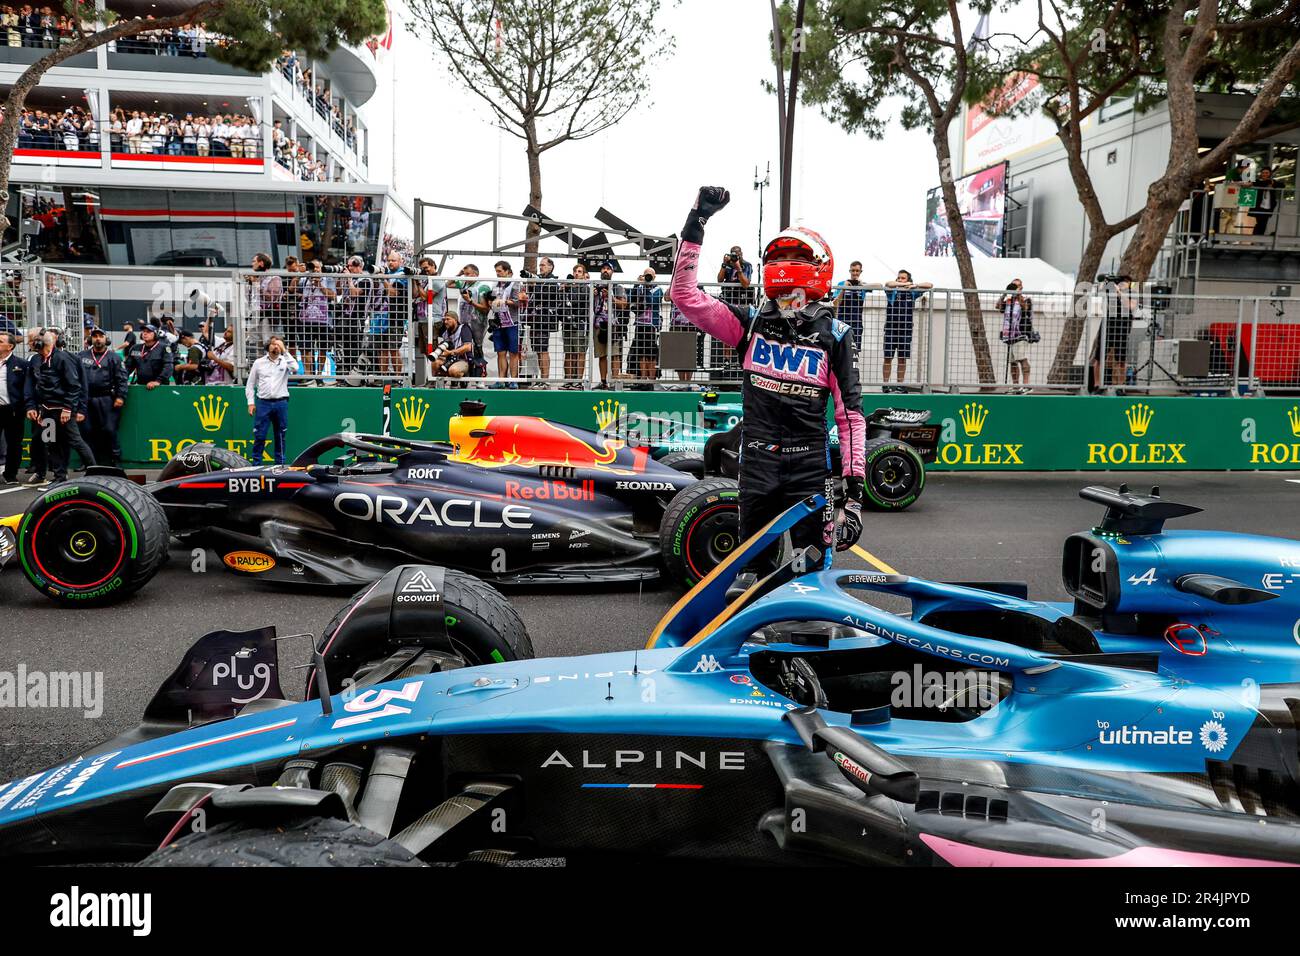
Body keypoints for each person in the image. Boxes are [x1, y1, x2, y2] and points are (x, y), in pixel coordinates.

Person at [671, 186, 866, 580]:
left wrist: (855, 494)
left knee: (812, 572)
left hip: (811, 467)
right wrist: (698, 222)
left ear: (820, 265)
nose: (786, 264)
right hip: (757, 462)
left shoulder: (837, 335)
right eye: (778, 256)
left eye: (796, 256)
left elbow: (850, 418)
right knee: (750, 572)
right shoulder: (750, 323)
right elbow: (684, 295)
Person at [24, 327, 91, 482]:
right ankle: (59, 477)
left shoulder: (62, 358)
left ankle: (96, 473)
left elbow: (74, 386)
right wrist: (41, 409)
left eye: (31, 340)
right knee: (52, 442)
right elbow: (42, 388)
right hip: (48, 410)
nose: (29, 343)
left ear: (39, 343)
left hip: (63, 410)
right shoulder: (41, 359)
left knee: (75, 441)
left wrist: (68, 409)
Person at [77, 326, 126, 467]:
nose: (97, 338)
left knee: (109, 429)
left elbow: (121, 379)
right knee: (86, 430)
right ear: (90, 339)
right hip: (86, 398)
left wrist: (120, 396)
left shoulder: (114, 357)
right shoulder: (82, 355)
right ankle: (87, 461)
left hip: (106, 399)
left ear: (106, 339)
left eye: (100, 336)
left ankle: (115, 459)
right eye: (95, 336)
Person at [245, 335, 298, 464]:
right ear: (268, 347)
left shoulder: (285, 361)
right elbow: (250, 384)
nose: (276, 346)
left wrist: (285, 351)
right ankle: (256, 465)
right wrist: (251, 403)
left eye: (279, 344)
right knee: (260, 436)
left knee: (280, 436)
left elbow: (295, 369)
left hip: (281, 403)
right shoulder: (259, 362)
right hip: (263, 403)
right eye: (274, 344)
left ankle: (280, 465)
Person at [882, 269, 932, 390]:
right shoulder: (892, 291)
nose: (899, 280)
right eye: (898, 278)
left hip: (905, 331)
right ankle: (885, 385)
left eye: (903, 278)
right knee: (888, 358)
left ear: (909, 280)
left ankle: (900, 385)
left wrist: (915, 286)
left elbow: (930, 285)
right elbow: (888, 283)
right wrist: (903, 284)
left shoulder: (913, 292)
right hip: (890, 330)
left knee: (902, 359)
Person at [1093, 278, 1136, 391]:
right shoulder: (1110, 292)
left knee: (1121, 360)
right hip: (1107, 328)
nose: (1124, 285)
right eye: (1122, 283)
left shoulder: (1132, 294)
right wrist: (1106, 284)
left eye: (1127, 284)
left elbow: (1130, 306)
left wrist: (1119, 293)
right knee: (1099, 358)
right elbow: (1098, 291)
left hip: (1122, 330)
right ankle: (1097, 385)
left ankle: (1120, 386)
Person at [526, 256, 563, 385]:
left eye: (543, 265)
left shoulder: (553, 281)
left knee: (543, 349)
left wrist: (537, 283)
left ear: (550, 266)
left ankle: (544, 380)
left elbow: (548, 296)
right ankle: (541, 380)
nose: (540, 267)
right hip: (536, 319)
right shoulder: (539, 280)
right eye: (540, 265)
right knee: (537, 349)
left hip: (545, 319)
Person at [592, 259, 627, 389]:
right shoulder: (595, 286)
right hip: (598, 325)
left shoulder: (617, 287)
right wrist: (592, 294)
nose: (605, 270)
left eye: (608, 269)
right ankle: (603, 382)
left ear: (612, 271)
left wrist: (611, 298)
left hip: (613, 325)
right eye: (603, 268)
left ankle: (614, 382)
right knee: (602, 355)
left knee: (615, 354)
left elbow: (624, 305)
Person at [996, 280, 1036, 393]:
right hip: (1009, 335)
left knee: (1022, 359)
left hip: (1021, 334)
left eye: (1016, 285)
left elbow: (1026, 308)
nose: (1014, 287)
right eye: (1012, 285)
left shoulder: (1026, 299)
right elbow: (998, 307)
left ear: (1021, 287)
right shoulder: (1009, 301)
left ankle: (1027, 385)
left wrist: (1018, 295)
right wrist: (1004, 293)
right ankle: (1016, 385)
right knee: (1012, 362)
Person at [0, 330, 28, 486]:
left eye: (0, 341)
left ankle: (10, 474)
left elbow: (27, 388)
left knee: (14, 443)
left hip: (13, 410)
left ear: (10, 346)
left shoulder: (21, 364)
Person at [627, 268, 663, 383]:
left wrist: (646, 287)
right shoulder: (640, 287)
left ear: (654, 277)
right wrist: (636, 285)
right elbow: (631, 299)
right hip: (640, 324)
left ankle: (651, 379)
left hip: (652, 325)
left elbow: (651, 301)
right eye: (646, 275)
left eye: (650, 276)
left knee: (651, 353)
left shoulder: (658, 289)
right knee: (641, 352)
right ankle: (643, 378)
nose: (647, 278)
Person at [456, 263, 492, 377]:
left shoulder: (482, 286)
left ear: (475, 274)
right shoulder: (464, 284)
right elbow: (448, 283)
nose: (465, 276)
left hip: (477, 323)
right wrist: (459, 274)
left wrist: (470, 301)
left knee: (477, 348)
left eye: (468, 274)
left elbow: (486, 309)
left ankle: (480, 376)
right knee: (464, 348)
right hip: (464, 322)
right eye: (464, 274)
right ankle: (466, 375)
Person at [489, 260, 522, 387]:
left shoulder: (516, 284)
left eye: (500, 271)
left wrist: (504, 302)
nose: (498, 274)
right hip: (499, 322)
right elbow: (492, 301)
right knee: (500, 352)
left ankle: (513, 380)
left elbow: (519, 302)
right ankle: (501, 380)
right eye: (496, 271)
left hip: (512, 322)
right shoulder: (495, 285)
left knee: (513, 352)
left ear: (508, 272)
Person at [561, 261, 591, 388]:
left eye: (579, 272)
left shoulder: (586, 288)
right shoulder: (567, 287)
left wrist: (570, 288)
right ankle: (568, 380)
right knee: (568, 353)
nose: (576, 274)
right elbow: (561, 303)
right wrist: (563, 290)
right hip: (567, 324)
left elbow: (577, 300)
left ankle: (578, 381)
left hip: (580, 324)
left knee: (580, 353)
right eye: (575, 272)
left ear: (584, 275)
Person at [829, 261, 870, 351]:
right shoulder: (841, 284)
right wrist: (843, 289)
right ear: (850, 271)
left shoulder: (863, 285)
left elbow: (879, 286)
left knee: (855, 350)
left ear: (860, 272)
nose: (855, 273)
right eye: (853, 270)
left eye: (857, 271)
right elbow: (835, 304)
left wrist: (863, 285)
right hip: (841, 322)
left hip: (857, 323)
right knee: (839, 350)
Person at [428, 311, 474, 380]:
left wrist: (451, 352)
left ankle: (464, 375)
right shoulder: (445, 332)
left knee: (453, 370)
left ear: (455, 320)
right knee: (434, 364)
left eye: (448, 319)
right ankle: (445, 379)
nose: (445, 322)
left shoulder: (464, 328)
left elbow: (468, 347)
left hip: (463, 360)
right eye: (444, 320)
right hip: (449, 360)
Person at [125, 323, 173, 389]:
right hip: (141, 386)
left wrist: (158, 381)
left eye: (148, 332)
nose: (145, 333)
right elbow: (128, 367)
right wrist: (122, 380)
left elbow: (168, 366)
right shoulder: (136, 348)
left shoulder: (164, 348)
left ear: (155, 334)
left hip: (160, 386)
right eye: (143, 331)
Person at [1252, 166, 1279, 237]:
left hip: (1268, 207)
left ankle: (1257, 239)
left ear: (1270, 174)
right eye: (1263, 173)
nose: (1264, 174)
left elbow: (1283, 185)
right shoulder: (1258, 181)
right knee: (1260, 223)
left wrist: (1272, 183)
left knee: (1263, 224)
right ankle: (1255, 238)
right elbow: (1259, 184)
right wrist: (1269, 182)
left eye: (1267, 173)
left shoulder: (1273, 182)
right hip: (1260, 206)